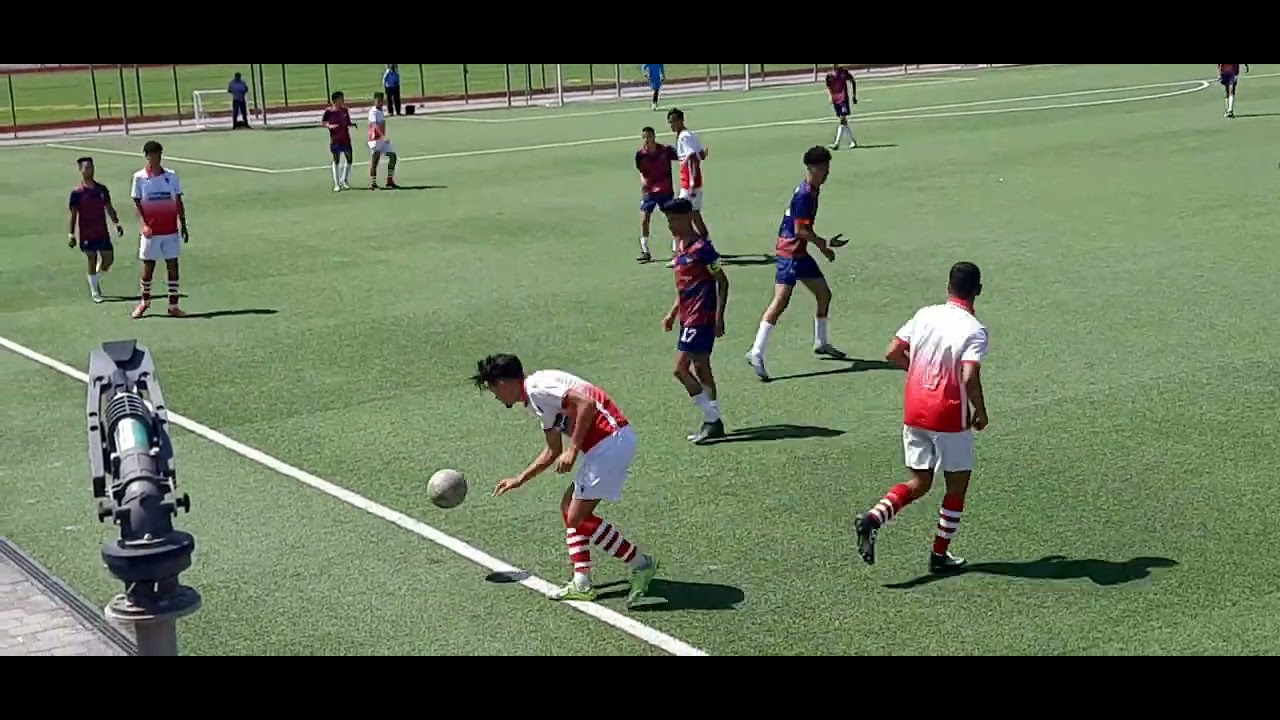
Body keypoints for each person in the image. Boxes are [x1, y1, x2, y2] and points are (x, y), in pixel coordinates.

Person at [477, 354, 659, 606]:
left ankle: (641, 564)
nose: (497, 398)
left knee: (576, 517)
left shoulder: (539, 388)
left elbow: (587, 404)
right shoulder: (535, 401)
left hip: (609, 443)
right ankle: (582, 581)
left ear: (504, 383)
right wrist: (519, 479)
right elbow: (552, 450)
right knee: (568, 508)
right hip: (605, 445)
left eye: (494, 390)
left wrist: (573, 450)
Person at [853, 261, 989, 575]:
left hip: (915, 409)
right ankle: (939, 555)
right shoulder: (974, 329)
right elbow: (969, 376)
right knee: (956, 486)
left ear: (948, 287)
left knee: (920, 481)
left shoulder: (925, 314)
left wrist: (918, 371)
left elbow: (892, 352)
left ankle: (873, 518)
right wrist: (980, 411)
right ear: (978, 291)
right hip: (948, 415)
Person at [745, 146, 846, 381]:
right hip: (790, 253)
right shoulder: (804, 195)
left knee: (824, 294)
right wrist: (823, 245)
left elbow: (803, 228)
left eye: (828, 168)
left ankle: (821, 342)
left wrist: (825, 242)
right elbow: (800, 231)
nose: (827, 172)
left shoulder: (813, 190)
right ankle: (756, 352)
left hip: (799, 253)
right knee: (781, 301)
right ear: (811, 168)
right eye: (823, 168)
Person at [662, 199, 729, 444]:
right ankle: (714, 422)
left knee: (680, 370)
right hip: (687, 317)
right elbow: (686, 287)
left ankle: (713, 419)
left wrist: (719, 317)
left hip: (700, 317)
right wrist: (672, 314)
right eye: (668, 220)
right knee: (702, 367)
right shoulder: (681, 247)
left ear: (687, 219)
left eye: (673, 220)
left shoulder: (704, 249)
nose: (670, 225)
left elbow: (722, 281)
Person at [130, 141, 189, 319]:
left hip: (170, 230)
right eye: (153, 155)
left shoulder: (171, 176)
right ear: (147, 156)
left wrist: (183, 223)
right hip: (151, 231)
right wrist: (143, 224)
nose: (156, 158)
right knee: (148, 267)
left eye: (159, 154)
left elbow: (178, 200)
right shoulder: (139, 178)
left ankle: (173, 305)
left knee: (173, 266)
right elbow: (137, 202)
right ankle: (144, 302)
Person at [67, 156, 124, 303]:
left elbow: (109, 207)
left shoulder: (101, 189)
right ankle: (95, 292)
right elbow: (73, 214)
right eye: (86, 168)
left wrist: (116, 223)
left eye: (91, 167)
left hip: (101, 230)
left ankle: (94, 278)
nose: (90, 170)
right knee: (91, 258)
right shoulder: (77, 193)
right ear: (80, 170)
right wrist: (71, 233)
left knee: (108, 259)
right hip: (87, 232)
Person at [666, 108, 711, 266]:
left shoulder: (684, 137)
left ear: (680, 121)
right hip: (695, 184)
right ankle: (707, 248)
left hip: (689, 185)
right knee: (695, 217)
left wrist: (691, 185)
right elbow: (701, 155)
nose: (671, 125)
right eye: (670, 122)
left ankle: (679, 254)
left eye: (673, 122)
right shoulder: (690, 135)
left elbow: (692, 160)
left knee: (678, 218)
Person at [634, 126, 677, 263]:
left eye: (649, 136)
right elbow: (641, 170)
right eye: (644, 137)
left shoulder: (665, 150)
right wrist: (643, 181)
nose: (646, 140)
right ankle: (645, 251)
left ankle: (676, 250)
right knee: (644, 219)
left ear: (654, 136)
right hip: (649, 191)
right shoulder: (640, 154)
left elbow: (682, 156)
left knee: (672, 220)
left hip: (665, 190)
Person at [321, 91, 356, 192]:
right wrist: (330, 126)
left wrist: (352, 124)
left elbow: (347, 122)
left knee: (349, 159)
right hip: (335, 139)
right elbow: (323, 122)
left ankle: (344, 180)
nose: (343, 100)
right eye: (341, 98)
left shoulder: (345, 110)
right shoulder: (329, 111)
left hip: (345, 138)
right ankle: (336, 184)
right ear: (335, 100)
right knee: (336, 160)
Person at [367, 92, 399, 190]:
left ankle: (389, 180)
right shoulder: (373, 112)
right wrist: (382, 136)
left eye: (381, 100)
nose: (380, 102)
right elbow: (374, 126)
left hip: (382, 139)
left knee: (393, 156)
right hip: (375, 139)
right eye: (378, 100)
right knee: (375, 160)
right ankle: (373, 183)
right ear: (374, 101)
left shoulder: (380, 111)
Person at [825, 64, 858, 149]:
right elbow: (828, 86)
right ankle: (852, 141)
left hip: (843, 99)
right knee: (843, 121)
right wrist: (830, 96)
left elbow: (853, 81)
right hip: (835, 100)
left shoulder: (843, 72)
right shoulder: (829, 75)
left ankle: (837, 143)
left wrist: (854, 95)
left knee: (842, 120)